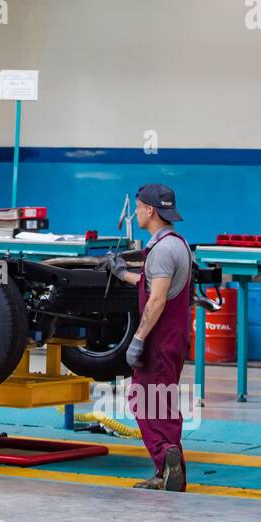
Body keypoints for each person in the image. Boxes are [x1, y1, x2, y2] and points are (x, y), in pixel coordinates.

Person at [102, 183, 191, 492]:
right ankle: (169, 470)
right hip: (173, 337)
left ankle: (165, 455)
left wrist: (138, 339)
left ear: (150, 210)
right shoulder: (176, 243)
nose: (136, 212)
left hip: (160, 338)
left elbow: (157, 299)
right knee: (162, 401)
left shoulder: (163, 249)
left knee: (144, 399)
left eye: (138, 207)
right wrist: (122, 272)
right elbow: (151, 282)